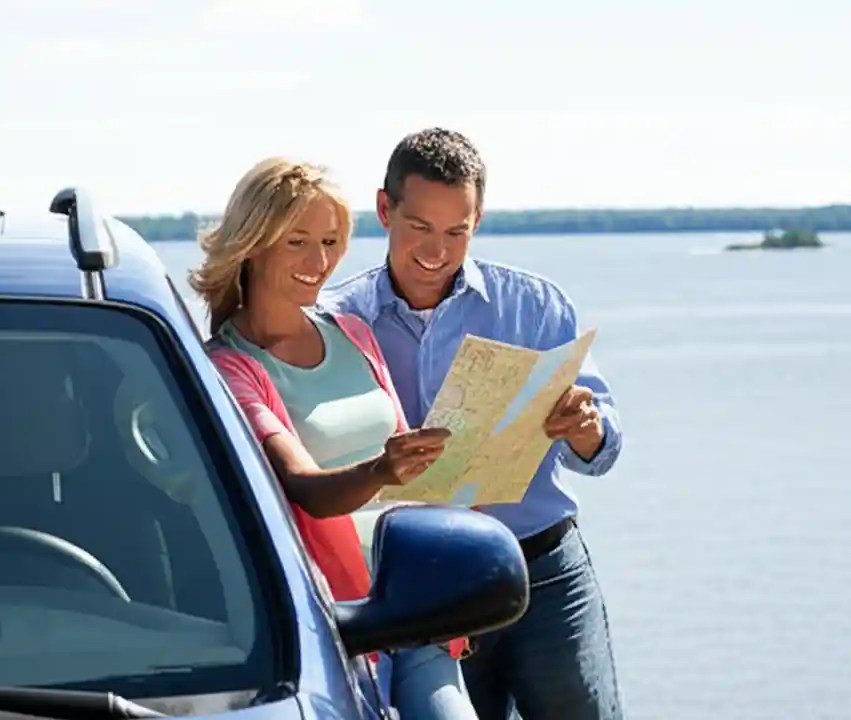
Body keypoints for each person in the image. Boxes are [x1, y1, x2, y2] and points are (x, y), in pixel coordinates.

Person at [319, 128, 626, 720]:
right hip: (422, 590)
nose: (437, 251)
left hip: (547, 574)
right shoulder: (337, 323)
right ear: (385, 210)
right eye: (420, 229)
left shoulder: (535, 307)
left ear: (478, 219)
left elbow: (604, 445)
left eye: (457, 232)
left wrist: (584, 427)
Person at [189, 156, 480, 720]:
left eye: (329, 241)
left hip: (416, 607)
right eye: (297, 241)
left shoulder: (353, 333)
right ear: (252, 243)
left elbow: (409, 468)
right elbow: (306, 490)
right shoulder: (231, 366)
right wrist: (380, 470)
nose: (319, 262)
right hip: (337, 629)